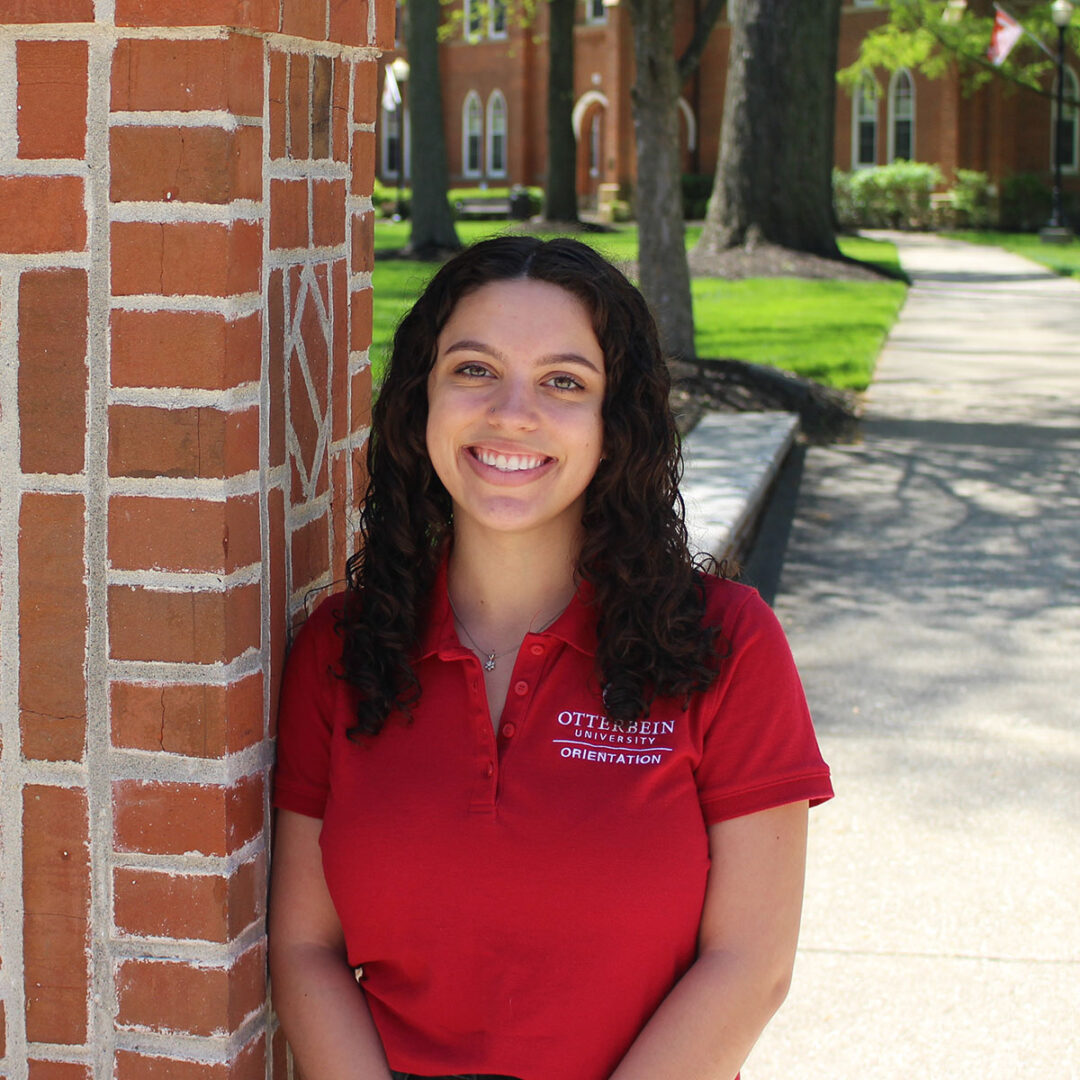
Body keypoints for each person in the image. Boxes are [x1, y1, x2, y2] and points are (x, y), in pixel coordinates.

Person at [268, 236, 833, 1080]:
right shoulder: (343, 650)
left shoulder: (725, 644)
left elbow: (751, 966)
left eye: (564, 381)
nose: (512, 412)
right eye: (474, 369)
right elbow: (304, 949)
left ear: (616, 422)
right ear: (421, 399)